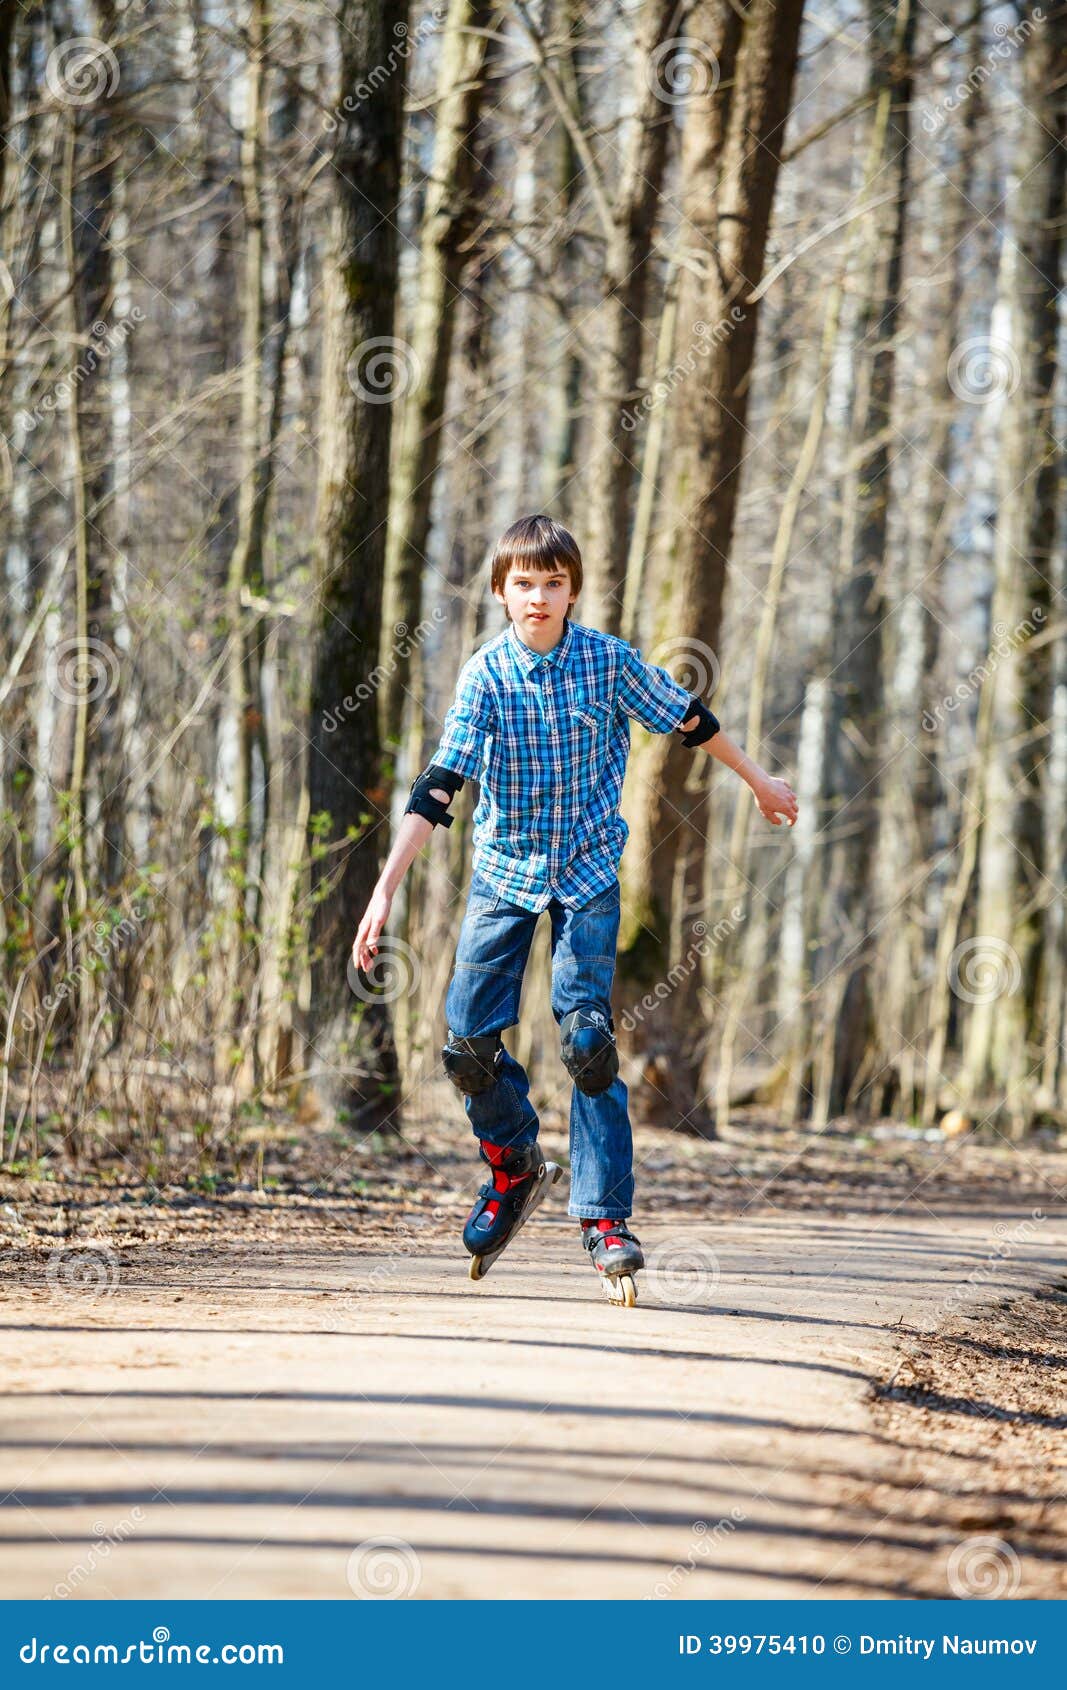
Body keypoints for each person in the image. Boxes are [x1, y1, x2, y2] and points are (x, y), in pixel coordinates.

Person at [352, 514, 797, 1303]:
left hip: (588, 871)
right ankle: (513, 1164)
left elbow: (690, 720)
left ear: (572, 591)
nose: (538, 597)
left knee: (587, 1041)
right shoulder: (485, 677)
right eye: (523, 583)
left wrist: (760, 781)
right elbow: (437, 786)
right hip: (502, 874)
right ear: (500, 592)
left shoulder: (606, 662)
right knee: (465, 1046)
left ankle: (604, 1220)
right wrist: (385, 889)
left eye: (553, 583)